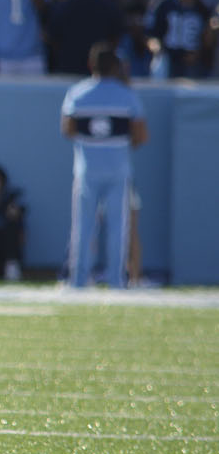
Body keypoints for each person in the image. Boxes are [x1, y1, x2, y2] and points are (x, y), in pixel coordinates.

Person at [60, 44, 148, 288]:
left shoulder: (77, 93)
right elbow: (141, 135)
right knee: (118, 228)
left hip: (86, 169)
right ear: (116, 67)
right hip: (118, 169)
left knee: (83, 227)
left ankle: (78, 281)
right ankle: (116, 281)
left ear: (91, 65)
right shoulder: (127, 95)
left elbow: (67, 129)